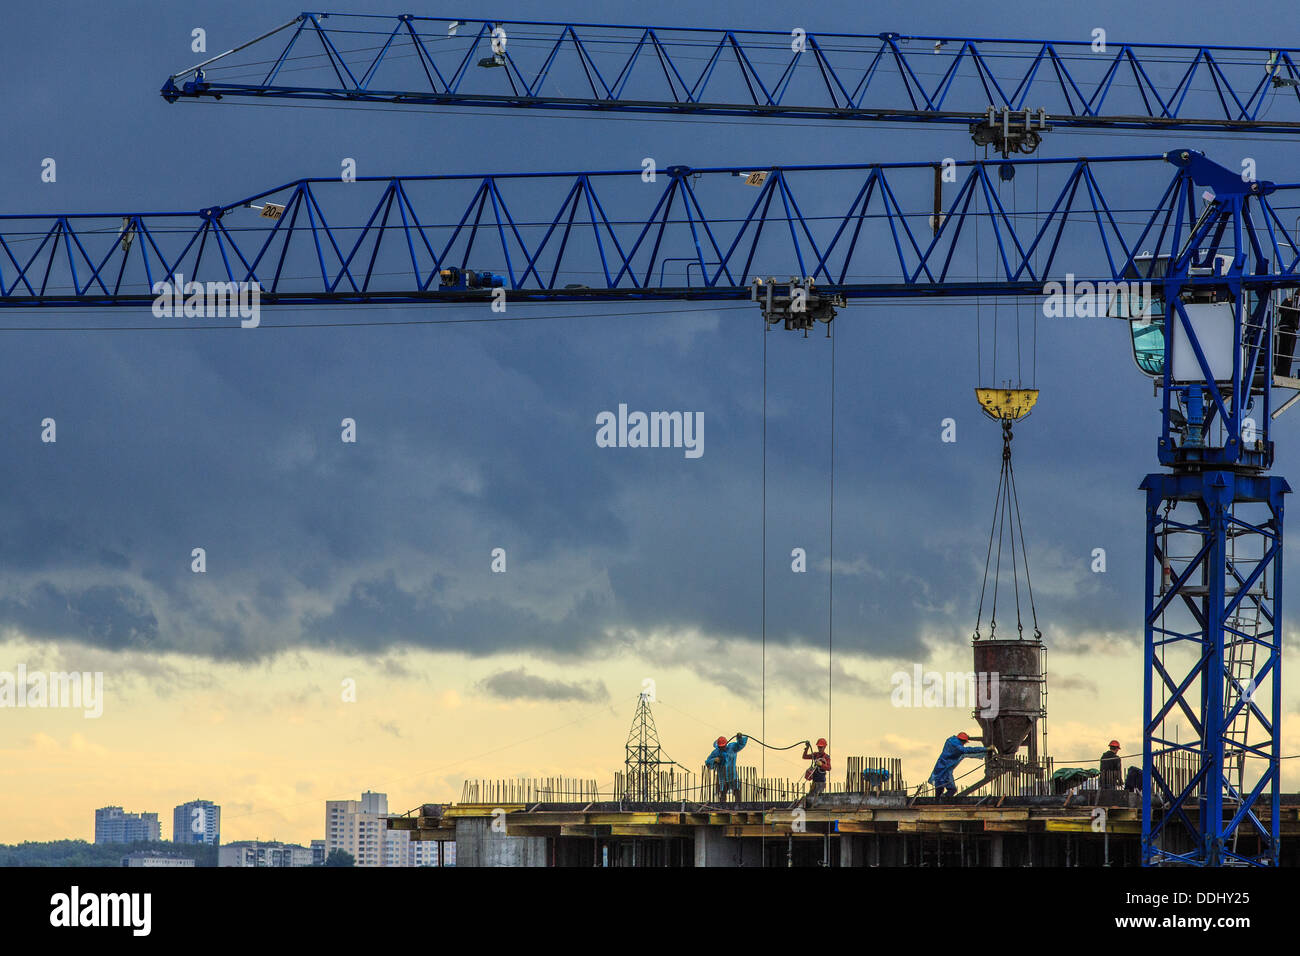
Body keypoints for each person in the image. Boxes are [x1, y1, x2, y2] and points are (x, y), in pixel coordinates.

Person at [929, 732, 991, 800]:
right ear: (963, 741)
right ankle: (943, 801)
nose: (964, 744)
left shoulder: (950, 740)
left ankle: (938, 801)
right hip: (946, 769)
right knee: (952, 790)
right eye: (964, 742)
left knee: (939, 789)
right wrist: (986, 749)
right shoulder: (958, 747)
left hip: (939, 767)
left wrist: (967, 737)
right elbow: (969, 750)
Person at [706, 733, 748, 802]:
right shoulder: (716, 752)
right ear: (718, 746)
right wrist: (714, 760)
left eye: (723, 746)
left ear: (726, 744)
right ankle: (722, 806)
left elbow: (740, 745)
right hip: (722, 777)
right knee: (722, 793)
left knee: (737, 791)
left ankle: (739, 805)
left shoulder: (732, 747)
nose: (722, 748)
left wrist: (740, 738)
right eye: (721, 747)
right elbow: (708, 763)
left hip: (733, 776)